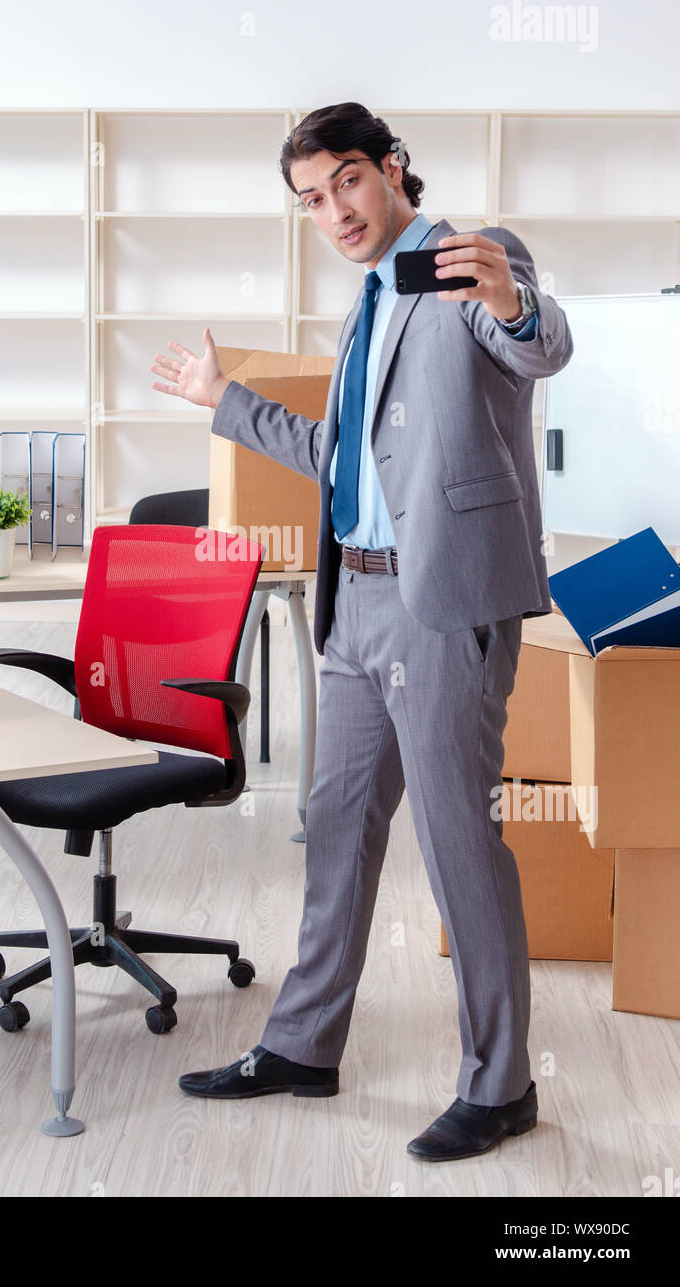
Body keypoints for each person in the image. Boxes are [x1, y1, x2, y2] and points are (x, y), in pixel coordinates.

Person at [150, 102, 573, 1161]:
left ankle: (502, 1083)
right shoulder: (371, 300)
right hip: (357, 606)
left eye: (345, 181)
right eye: (309, 199)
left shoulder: (463, 262)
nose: (332, 209)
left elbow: (539, 347)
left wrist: (517, 304)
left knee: (458, 845)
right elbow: (337, 454)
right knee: (336, 829)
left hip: (443, 606)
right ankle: (302, 1042)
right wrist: (221, 398)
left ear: (391, 169)